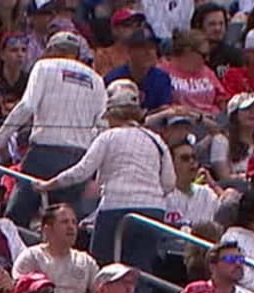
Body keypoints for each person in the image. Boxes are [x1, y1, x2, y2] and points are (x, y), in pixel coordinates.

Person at [33, 89, 173, 275]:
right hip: (153, 211)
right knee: (141, 271)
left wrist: (49, 184)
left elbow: (82, 171)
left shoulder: (109, 137)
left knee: (102, 267)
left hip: (116, 208)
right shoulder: (157, 141)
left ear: (114, 115)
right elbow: (169, 182)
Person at [0, 31, 106, 225]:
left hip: (43, 154)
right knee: (62, 223)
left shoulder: (44, 66)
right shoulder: (96, 79)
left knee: (16, 217)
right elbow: (103, 126)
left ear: (50, 51)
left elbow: (26, 106)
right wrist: (96, 172)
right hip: (79, 158)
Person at [11, 205, 98, 293]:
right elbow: (20, 291)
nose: (71, 227)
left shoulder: (85, 261)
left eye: (74, 222)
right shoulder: (32, 257)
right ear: (47, 230)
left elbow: (101, 291)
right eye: (64, 222)